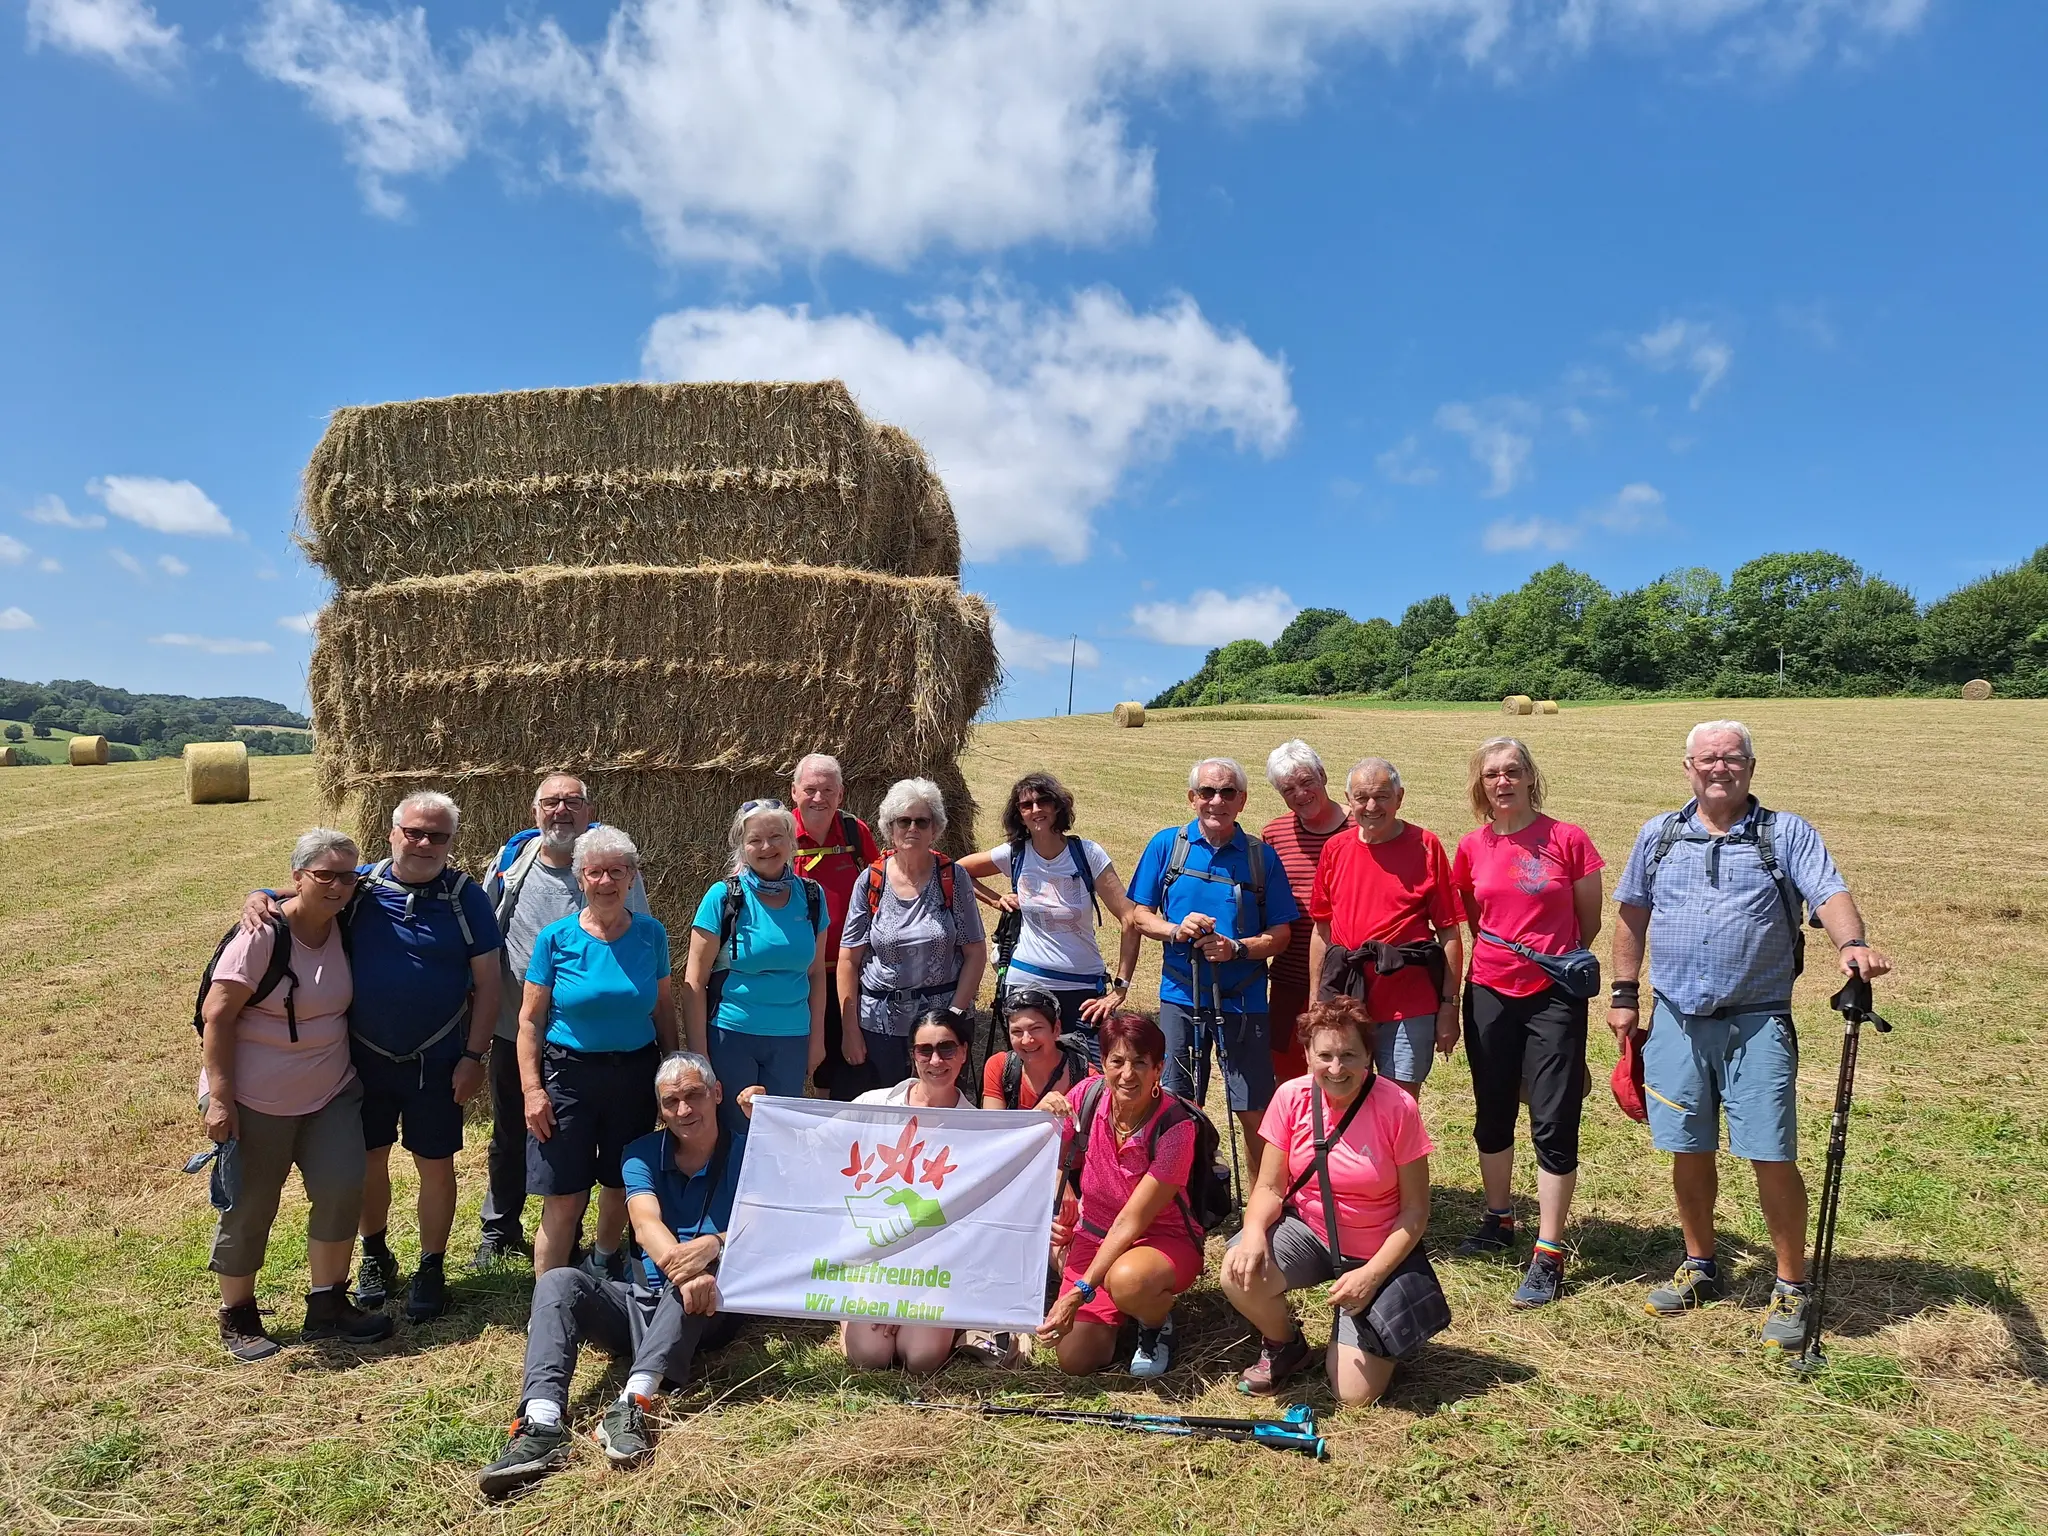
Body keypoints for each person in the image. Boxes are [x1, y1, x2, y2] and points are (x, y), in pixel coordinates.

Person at [1611, 720, 1893, 1347]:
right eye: (1707, 758)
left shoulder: (1784, 833)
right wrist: (1624, 993)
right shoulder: (1658, 835)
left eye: (1732, 758)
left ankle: (1790, 1284)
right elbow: (1632, 914)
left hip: (1758, 1021)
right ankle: (1700, 1264)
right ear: (1688, 767)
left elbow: (1828, 891)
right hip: (1677, 1019)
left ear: (1751, 767)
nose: (1720, 768)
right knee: (1688, 1147)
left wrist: (1851, 943)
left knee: (1771, 1152)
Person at [245, 790, 503, 1322]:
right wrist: (259, 894)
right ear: (392, 833)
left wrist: (473, 1055)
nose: (424, 843)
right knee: (368, 1161)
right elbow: (306, 888)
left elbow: (489, 984)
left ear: (451, 842)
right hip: (364, 1057)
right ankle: (375, 1254)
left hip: (437, 1059)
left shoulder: (466, 898)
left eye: (437, 836)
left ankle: (431, 1266)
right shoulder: (362, 886)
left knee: (436, 1165)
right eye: (414, 832)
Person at [478, 1052, 762, 1497]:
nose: (684, 1110)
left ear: (717, 1094)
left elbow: (770, 1222)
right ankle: (541, 1423)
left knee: (698, 1280)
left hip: (710, 1304)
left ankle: (633, 1404)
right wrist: (683, 1267)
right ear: (660, 1109)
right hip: (644, 1299)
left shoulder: (752, 1151)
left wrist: (714, 1246)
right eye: (670, 1102)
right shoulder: (641, 1153)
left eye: (693, 1095)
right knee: (558, 1281)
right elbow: (645, 1225)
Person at [200, 829, 392, 1360]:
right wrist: (221, 1098)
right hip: (254, 1096)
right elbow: (217, 1016)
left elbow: (392, 871)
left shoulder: (347, 921)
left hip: (331, 1090)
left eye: (346, 876)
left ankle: (328, 1303)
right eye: (323, 875)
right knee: (251, 1203)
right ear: (297, 877)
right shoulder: (262, 934)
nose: (337, 885)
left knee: (341, 1187)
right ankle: (238, 1314)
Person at [1220, 997, 1446, 1407]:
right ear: (1307, 1055)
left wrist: (1372, 1275)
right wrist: (1252, 1233)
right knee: (1238, 1269)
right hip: (1309, 1232)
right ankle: (1285, 1343)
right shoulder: (1290, 1096)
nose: (1336, 1068)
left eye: (1349, 1055)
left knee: (1354, 1396)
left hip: (1374, 1251)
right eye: (1324, 1055)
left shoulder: (1398, 1107)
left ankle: (1367, 1323)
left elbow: (1415, 1211)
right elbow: (1269, 1188)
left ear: (1368, 1056)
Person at [1448, 738, 1605, 1307]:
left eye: (1512, 771)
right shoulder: (1471, 846)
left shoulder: (1568, 839)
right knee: (1491, 1108)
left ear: (1530, 777)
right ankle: (1498, 1219)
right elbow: (1474, 917)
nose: (1503, 782)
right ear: (1481, 784)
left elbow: (1588, 919)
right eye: (1492, 774)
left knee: (1553, 1116)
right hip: (1489, 988)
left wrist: (1550, 955)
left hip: (1554, 993)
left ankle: (1549, 1251)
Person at [476, 773, 652, 1267]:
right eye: (551, 802)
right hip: (520, 1025)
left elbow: (639, 940)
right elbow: (484, 932)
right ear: (535, 811)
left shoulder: (611, 866)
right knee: (514, 1130)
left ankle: (588, 1244)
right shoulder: (512, 864)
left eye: (573, 802)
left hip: (591, 1034)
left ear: (589, 811)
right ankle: (499, 1227)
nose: (561, 811)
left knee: (581, 1144)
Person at [1127, 757, 1297, 1180]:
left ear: (1242, 800)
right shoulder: (1167, 845)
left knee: (1254, 1108)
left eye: (1227, 792)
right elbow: (1138, 916)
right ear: (1192, 798)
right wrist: (1175, 929)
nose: (1216, 801)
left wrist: (1235, 948)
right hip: (1180, 997)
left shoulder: (1262, 858)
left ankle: (1263, 1202)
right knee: (1177, 1104)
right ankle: (1182, 1198)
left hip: (1245, 1002)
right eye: (1207, 791)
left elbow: (1281, 935)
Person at [520, 827, 679, 1276]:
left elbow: (663, 1007)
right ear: (580, 879)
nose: (605, 881)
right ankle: (550, 1298)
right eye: (594, 872)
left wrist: (671, 1071)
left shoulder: (651, 934)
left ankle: (604, 1262)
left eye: (616, 871)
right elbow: (529, 1021)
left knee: (620, 1180)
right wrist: (532, 1091)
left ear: (632, 877)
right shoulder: (555, 938)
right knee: (564, 1194)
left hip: (634, 1073)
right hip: (568, 1077)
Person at [1036, 1012, 1206, 1378]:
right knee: (1075, 1360)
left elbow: (1131, 1221)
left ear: (1159, 1068)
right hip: (1094, 1234)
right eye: (1117, 1061)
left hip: (1161, 1238)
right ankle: (1125, 1308)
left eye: (1140, 1062)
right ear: (1103, 1063)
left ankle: (1154, 1323)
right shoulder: (1087, 1096)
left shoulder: (1176, 1126)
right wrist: (1039, 1116)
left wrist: (1080, 1290)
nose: (1128, 1074)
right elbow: (1038, 1153)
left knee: (1128, 1279)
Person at [1306, 758, 1463, 1100]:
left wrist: (1450, 1006)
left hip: (1408, 1002)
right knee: (1341, 1097)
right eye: (1361, 797)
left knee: (1399, 1103)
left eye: (1381, 796)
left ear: (1399, 797)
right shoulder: (1335, 849)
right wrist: (1316, 1002)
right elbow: (1322, 931)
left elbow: (1449, 933)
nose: (1371, 807)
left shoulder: (1426, 846)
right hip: (1345, 1001)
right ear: (1348, 799)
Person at [957, 772, 1138, 1062]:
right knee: (1032, 1069)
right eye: (1026, 805)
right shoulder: (1015, 854)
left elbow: (1130, 919)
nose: (1036, 809)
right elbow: (960, 870)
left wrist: (1120, 988)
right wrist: (997, 899)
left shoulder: (1087, 854)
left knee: (1092, 1071)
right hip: (1026, 981)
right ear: (1019, 814)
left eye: (1043, 801)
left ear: (1057, 806)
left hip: (1083, 986)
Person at [844, 1009, 980, 1371]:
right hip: (872, 1262)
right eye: (925, 1050)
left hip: (936, 1267)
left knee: (921, 1357)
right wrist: (761, 1112)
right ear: (912, 1055)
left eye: (947, 1048)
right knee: (870, 1355)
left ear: (964, 1052)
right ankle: (848, 1306)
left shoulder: (979, 1130)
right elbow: (816, 1147)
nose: (936, 1061)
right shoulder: (872, 1105)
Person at [837, 777, 987, 1090]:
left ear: (935, 828)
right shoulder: (871, 880)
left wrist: (954, 1015)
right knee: (885, 1109)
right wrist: (849, 1030)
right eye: (903, 821)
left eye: (922, 821)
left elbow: (975, 953)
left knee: (939, 1108)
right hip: (880, 1026)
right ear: (890, 828)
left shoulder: (953, 877)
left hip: (941, 1026)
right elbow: (849, 960)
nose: (912, 829)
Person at [683, 799, 829, 1101]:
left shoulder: (812, 896)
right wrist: (699, 1054)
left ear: (791, 841)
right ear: (742, 846)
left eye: (776, 837)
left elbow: (816, 973)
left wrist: (817, 1039)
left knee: (779, 1126)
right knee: (736, 1125)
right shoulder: (723, 897)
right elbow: (694, 983)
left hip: (791, 1039)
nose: (767, 847)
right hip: (732, 1035)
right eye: (755, 840)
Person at [790, 754, 883, 1099]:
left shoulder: (855, 832)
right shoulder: (779, 833)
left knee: (846, 1065)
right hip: (796, 975)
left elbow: (882, 883)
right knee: (800, 1061)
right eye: (810, 789)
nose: (819, 798)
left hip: (849, 972)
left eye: (828, 790)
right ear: (794, 792)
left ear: (840, 794)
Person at [1260, 740, 1351, 1084]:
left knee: (1343, 1074)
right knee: (1287, 1076)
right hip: (1289, 976)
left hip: (1348, 978)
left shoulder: (1363, 826)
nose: (1300, 794)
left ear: (1323, 776)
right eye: (1288, 789)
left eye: (1306, 782)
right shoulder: (1274, 834)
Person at [980, 987, 1091, 1110]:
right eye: (1017, 1031)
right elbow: (992, 1122)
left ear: (1056, 1029)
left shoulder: (1087, 1076)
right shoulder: (1000, 1068)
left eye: (1036, 1028)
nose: (1026, 1040)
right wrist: (1038, 1113)